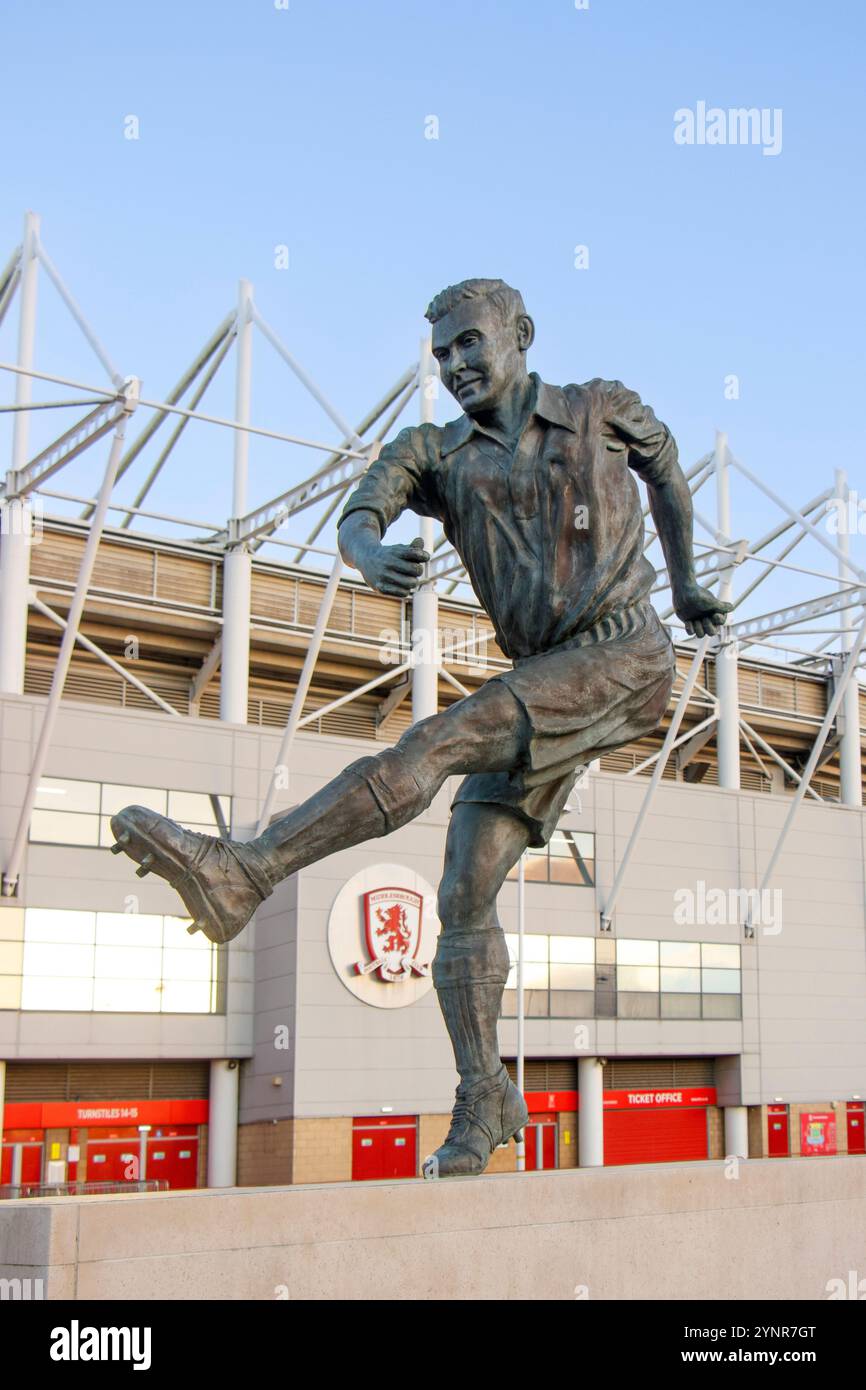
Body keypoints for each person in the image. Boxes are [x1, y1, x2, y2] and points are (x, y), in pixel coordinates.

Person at [110, 278, 730, 1176]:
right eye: (442, 355)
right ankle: (487, 1096)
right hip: (542, 680)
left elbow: (668, 465)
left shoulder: (599, 408)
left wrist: (684, 581)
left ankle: (249, 869)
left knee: (431, 744)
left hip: (626, 654)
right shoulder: (439, 454)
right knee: (462, 892)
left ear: (520, 335)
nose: (457, 366)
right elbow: (360, 511)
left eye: (471, 344)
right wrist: (366, 552)